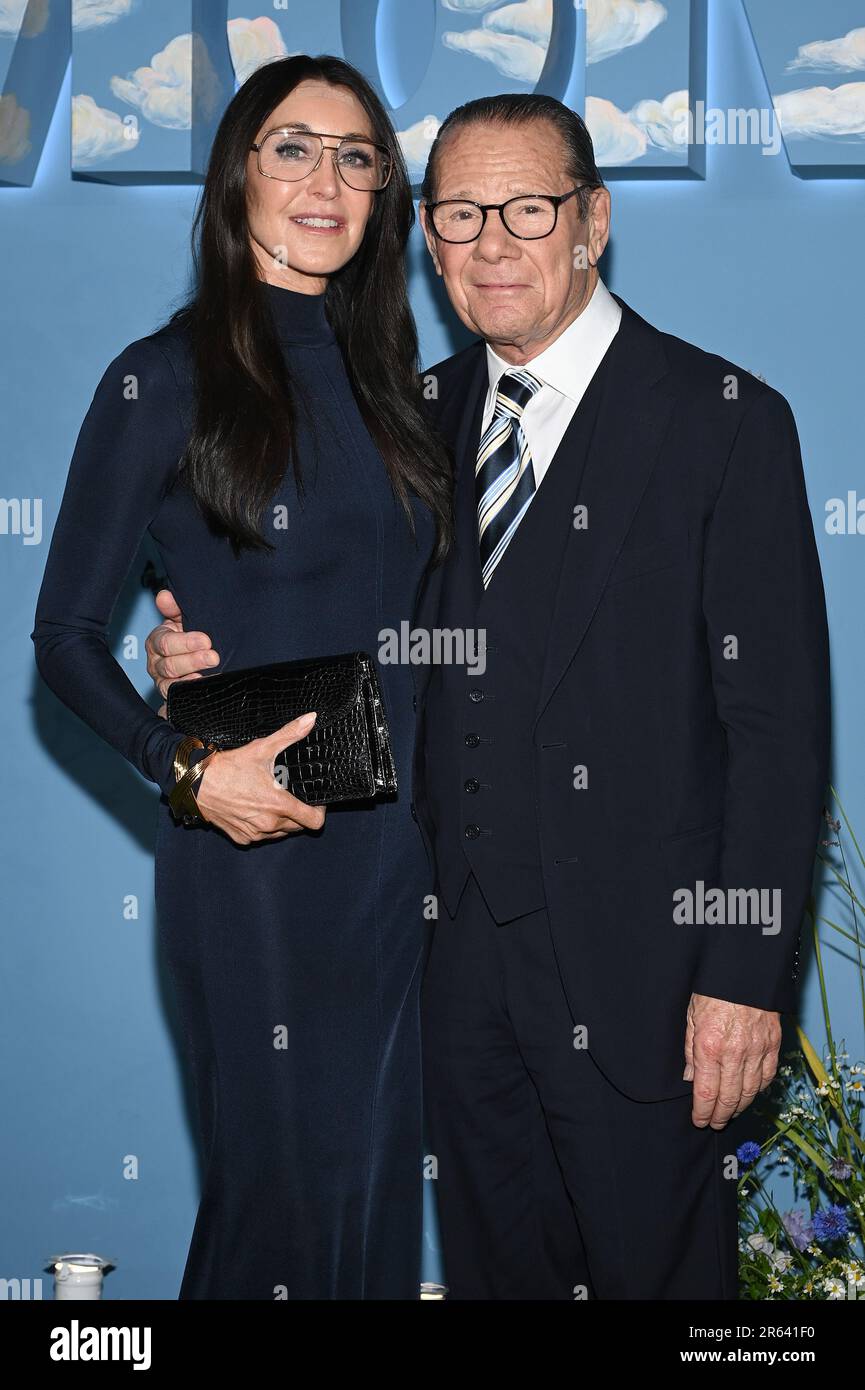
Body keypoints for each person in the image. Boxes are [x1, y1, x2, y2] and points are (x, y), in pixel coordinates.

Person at [143, 93, 831, 1299]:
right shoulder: (404, 419)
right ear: (425, 240)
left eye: (527, 208)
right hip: (446, 991)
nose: (493, 244)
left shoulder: (722, 422)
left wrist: (741, 978)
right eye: (458, 215)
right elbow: (329, 632)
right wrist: (194, 663)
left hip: (655, 994)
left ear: (593, 222)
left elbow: (779, 733)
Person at [31, 54, 452, 1300]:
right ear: (235, 177)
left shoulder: (397, 395)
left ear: (381, 194)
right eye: (292, 147)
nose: (326, 178)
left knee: (369, 1209)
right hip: (255, 854)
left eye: (356, 155)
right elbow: (61, 637)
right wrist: (186, 770)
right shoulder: (159, 378)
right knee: (280, 1209)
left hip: (395, 858)